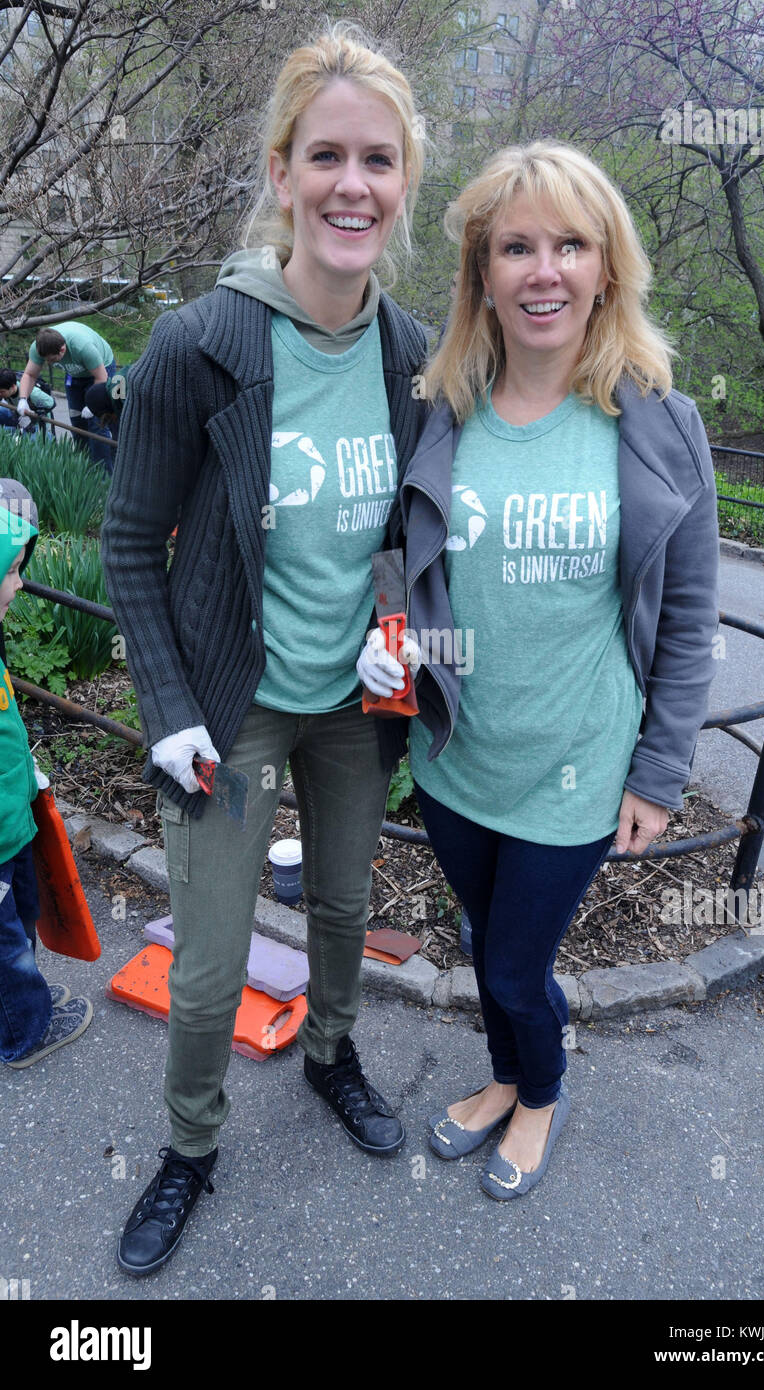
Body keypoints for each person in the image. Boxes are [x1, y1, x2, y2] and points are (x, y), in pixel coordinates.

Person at [100, 23, 428, 1277]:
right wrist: (166, 703)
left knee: (344, 908)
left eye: (378, 161)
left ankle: (335, 1056)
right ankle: (189, 1148)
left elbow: (405, 528)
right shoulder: (202, 342)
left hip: (352, 707)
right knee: (209, 967)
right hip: (227, 707)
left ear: (402, 185)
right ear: (285, 170)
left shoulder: (411, 356)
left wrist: (399, 618)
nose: (353, 184)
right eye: (327, 156)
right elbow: (131, 545)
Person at [358, 141, 720, 1202]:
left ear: (607, 267)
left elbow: (688, 615)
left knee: (516, 964)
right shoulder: (442, 409)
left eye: (570, 243)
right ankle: (504, 1073)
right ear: (482, 272)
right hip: (456, 759)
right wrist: (394, 693)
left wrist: (657, 772)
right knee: (482, 944)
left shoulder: (655, 420)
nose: (543, 269)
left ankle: (540, 1091)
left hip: (574, 766)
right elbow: (399, 567)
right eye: (515, 246)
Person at [0, 478, 93, 1069]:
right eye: (9, 572)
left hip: (13, 820)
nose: (19, 582)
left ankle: (19, 998)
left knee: (23, 914)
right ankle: (22, 1031)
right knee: (4, 943)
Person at [16, 323, 118, 472]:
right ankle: (84, 467)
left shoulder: (83, 347)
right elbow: (30, 374)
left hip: (101, 371)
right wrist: (23, 399)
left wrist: (92, 406)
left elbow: (101, 377)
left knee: (96, 424)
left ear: (62, 349)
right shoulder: (39, 347)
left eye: (52, 360)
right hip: (74, 373)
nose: (49, 364)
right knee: (77, 421)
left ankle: (103, 475)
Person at [0, 368, 55, 433]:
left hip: (38, 423)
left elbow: (52, 403)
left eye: (2, 392)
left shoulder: (33, 393)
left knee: (29, 438)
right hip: (19, 417)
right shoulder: (7, 391)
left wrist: (33, 414)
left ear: (13, 387)